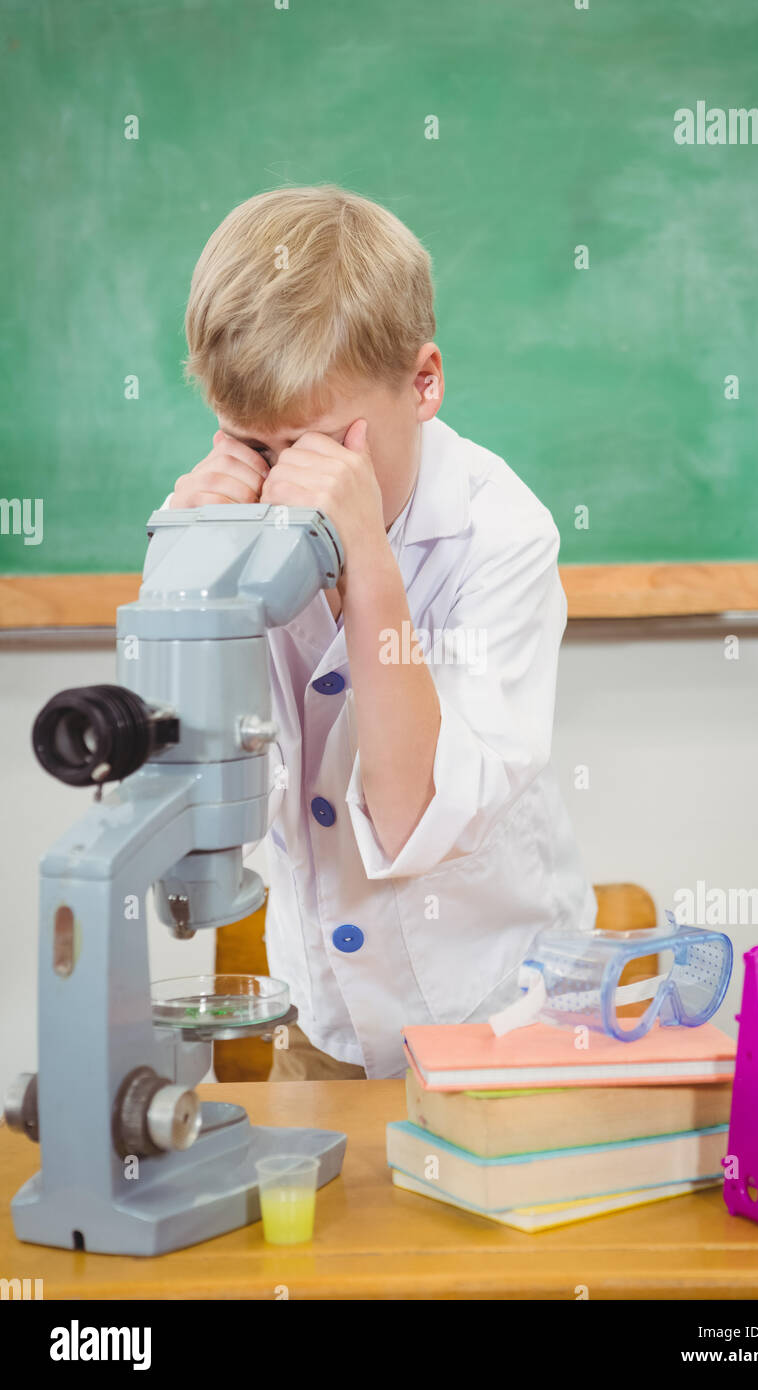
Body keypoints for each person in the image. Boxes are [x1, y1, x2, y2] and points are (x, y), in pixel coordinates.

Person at [167, 184, 596, 1080]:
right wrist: (183, 582)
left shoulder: (503, 533)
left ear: (424, 382)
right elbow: (185, 808)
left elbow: (410, 821)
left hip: (501, 1027)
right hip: (321, 1023)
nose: (293, 485)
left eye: (325, 446)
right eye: (257, 447)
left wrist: (369, 563)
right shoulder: (215, 524)